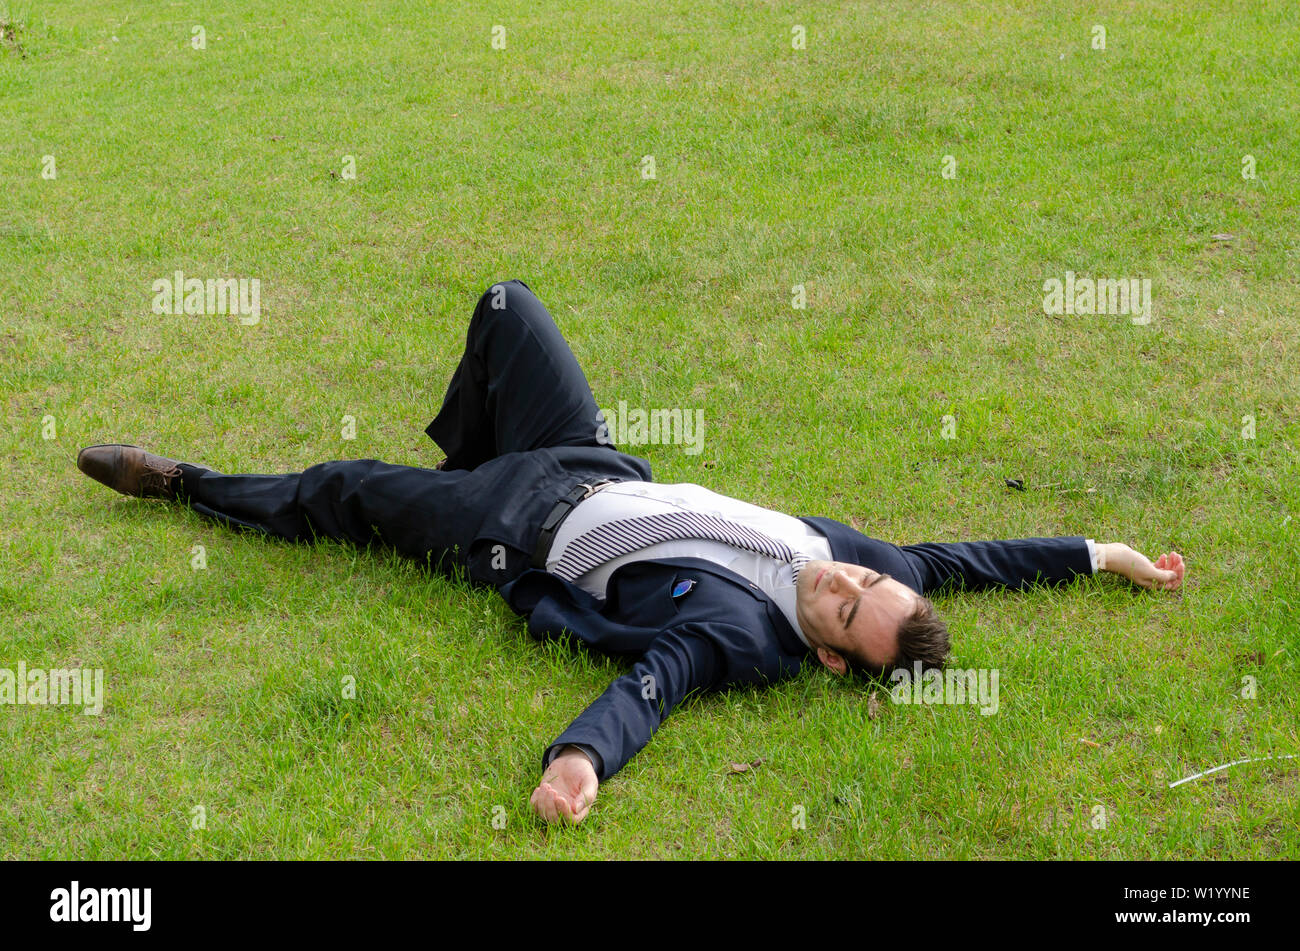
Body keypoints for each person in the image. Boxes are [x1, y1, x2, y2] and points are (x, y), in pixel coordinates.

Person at [76, 279, 1186, 825]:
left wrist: (578, 765)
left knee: (339, 494)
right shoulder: (861, 558)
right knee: (507, 306)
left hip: (514, 528)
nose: (848, 581)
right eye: (868, 581)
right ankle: (463, 455)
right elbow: (971, 559)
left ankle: (184, 484)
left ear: (836, 659)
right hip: (590, 462)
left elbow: (649, 690)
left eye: (849, 609)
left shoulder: (738, 637)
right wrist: (1101, 551)